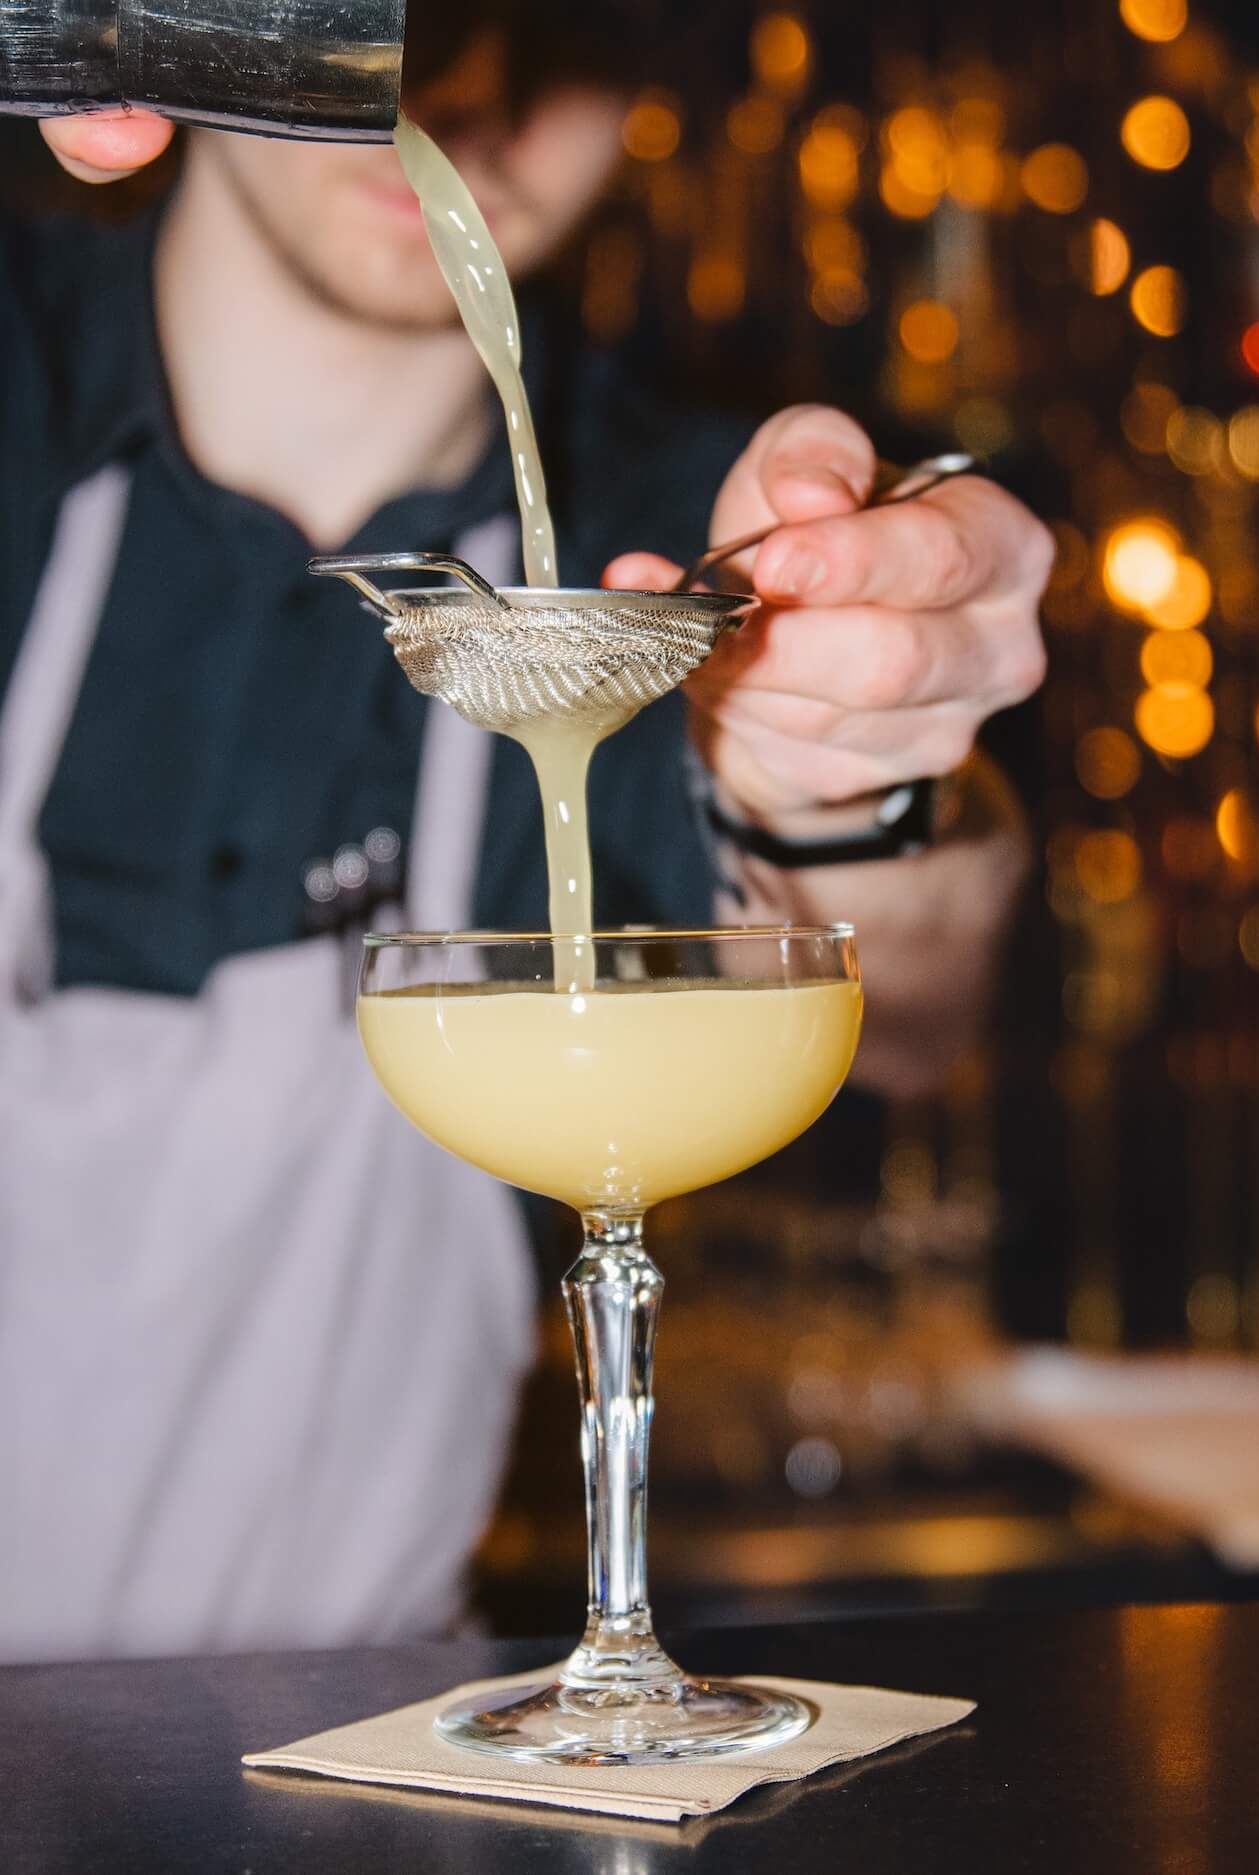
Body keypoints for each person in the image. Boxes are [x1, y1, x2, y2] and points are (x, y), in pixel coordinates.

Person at [0, 7, 1049, 1662]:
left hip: (355, 1763)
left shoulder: (668, 545)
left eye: (556, 21)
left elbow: (920, 1011)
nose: (463, 95)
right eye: (400, 13)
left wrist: (845, 765)